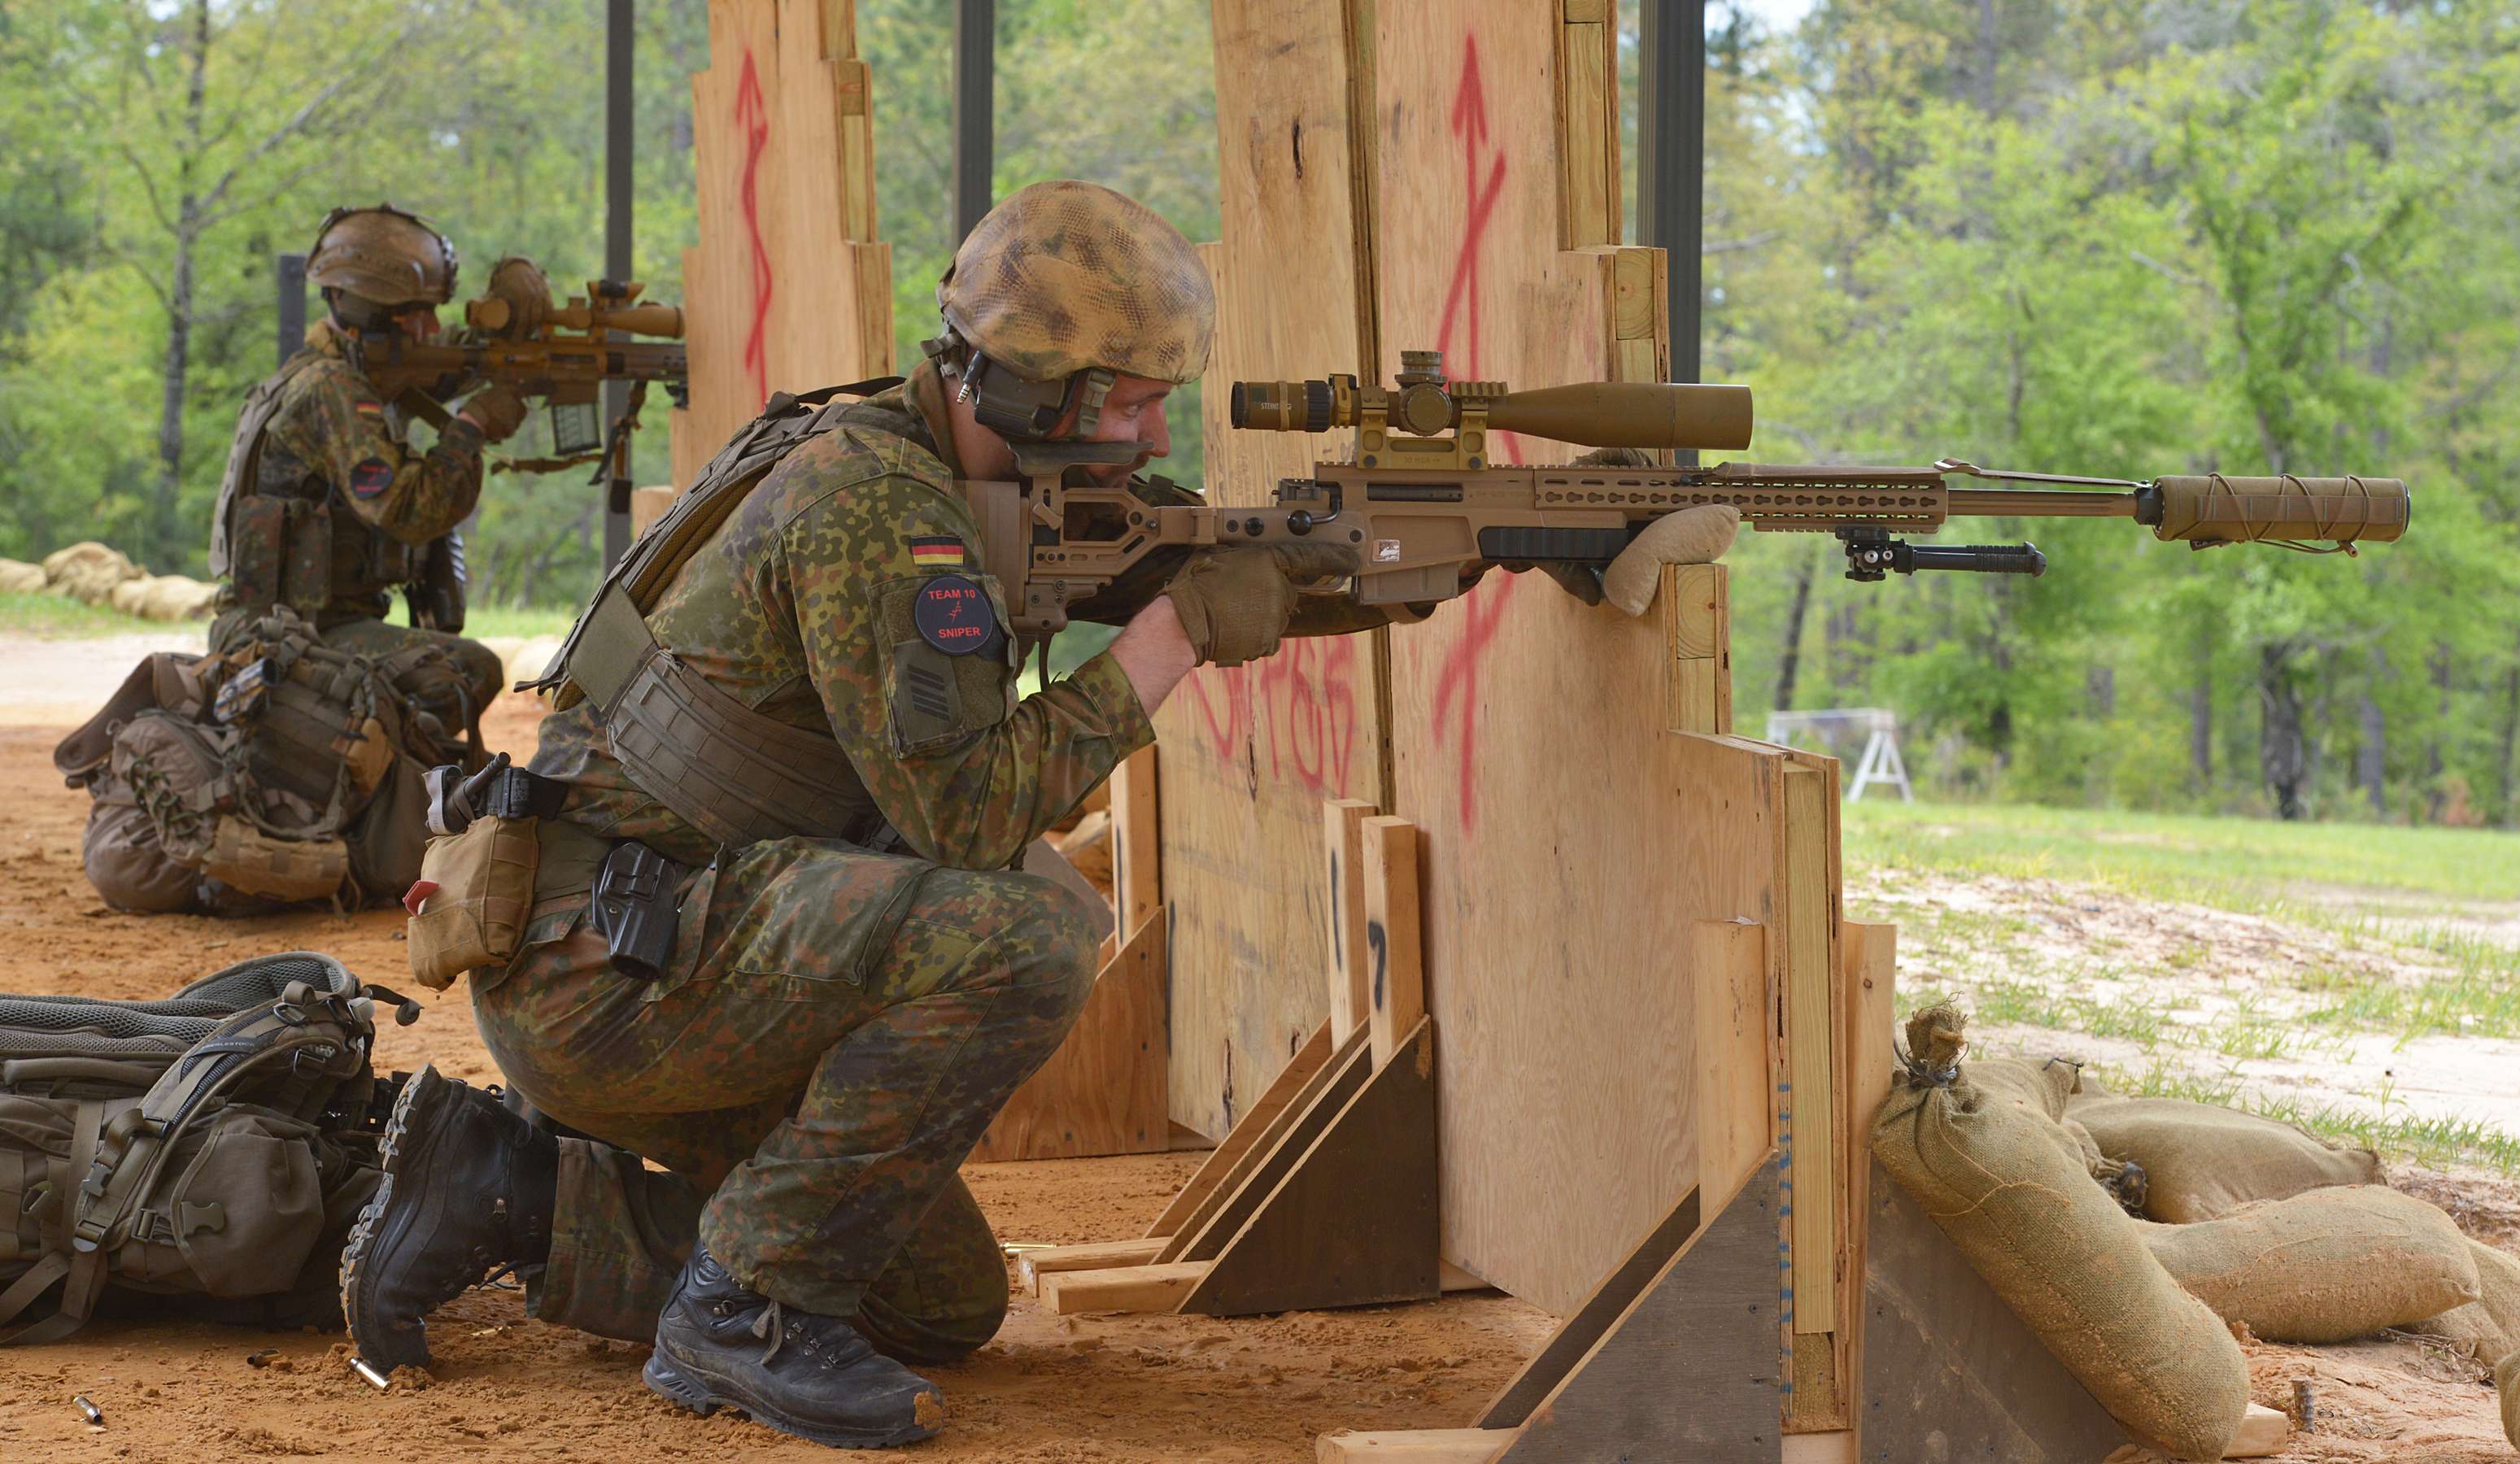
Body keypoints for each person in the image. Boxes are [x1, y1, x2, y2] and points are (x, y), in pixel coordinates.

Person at [338, 180, 1737, 1449]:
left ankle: (512, 1192)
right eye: (1128, 400)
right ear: (1029, 387)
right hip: (615, 979)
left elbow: (1245, 560)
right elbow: (969, 811)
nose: (1156, 430)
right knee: (1025, 930)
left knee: (940, 1304)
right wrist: (1172, 644)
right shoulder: (881, 512)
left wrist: (1523, 537)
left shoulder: (959, 466)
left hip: (661, 945)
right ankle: (742, 1313)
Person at [207, 203, 528, 738]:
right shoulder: (333, 389)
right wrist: (470, 427)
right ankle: (353, 787)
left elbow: (448, 363)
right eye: (415, 313)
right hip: (288, 635)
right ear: (367, 310)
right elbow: (410, 509)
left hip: (304, 624)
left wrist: (521, 345)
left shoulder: (346, 369)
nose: (430, 327)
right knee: (465, 672)